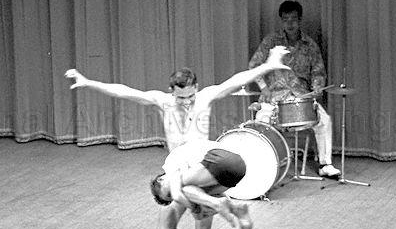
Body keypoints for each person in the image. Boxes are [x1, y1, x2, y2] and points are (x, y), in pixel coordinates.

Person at [64, 46, 290, 151]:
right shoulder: (163, 101)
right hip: (176, 164)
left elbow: (234, 80)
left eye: (190, 96)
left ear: (196, 88)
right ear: (171, 91)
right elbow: (125, 91)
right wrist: (89, 82)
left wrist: (268, 66)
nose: (187, 102)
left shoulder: (205, 96)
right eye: (181, 98)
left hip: (201, 160)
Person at [248, 0, 341, 178]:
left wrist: (317, 89)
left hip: (302, 97)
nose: (289, 24)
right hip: (275, 96)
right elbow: (254, 65)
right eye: (285, 20)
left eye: (293, 19)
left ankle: (325, 164)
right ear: (281, 21)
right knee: (261, 120)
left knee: (324, 120)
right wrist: (264, 88)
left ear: (300, 20)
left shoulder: (310, 45)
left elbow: (318, 71)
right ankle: (261, 168)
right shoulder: (271, 42)